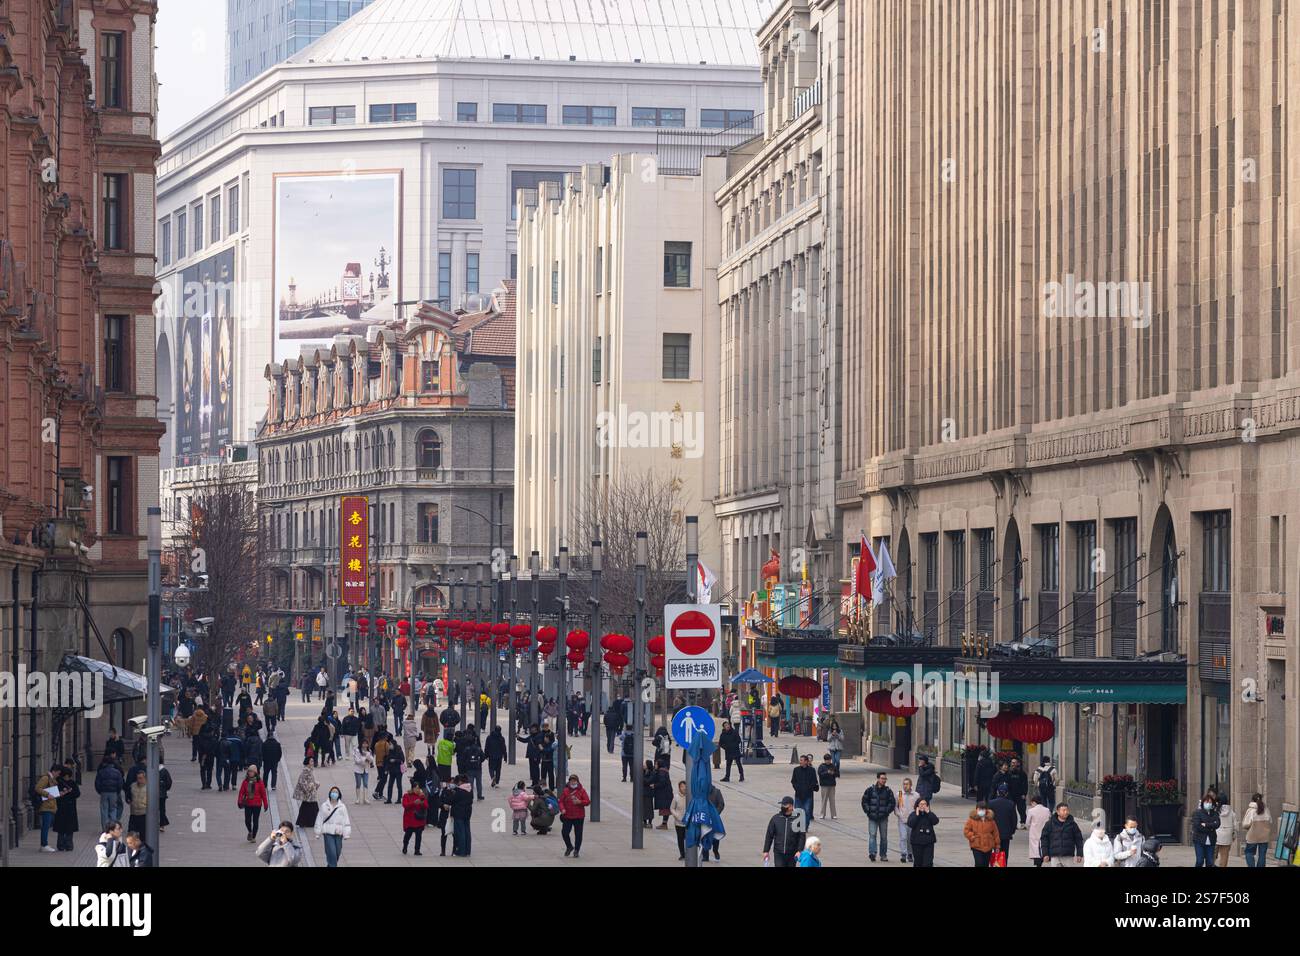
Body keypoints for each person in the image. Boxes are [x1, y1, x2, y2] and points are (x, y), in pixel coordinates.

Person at [861, 771, 895, 862]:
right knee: (872, 835)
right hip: (872, 817)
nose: (884, 780)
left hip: (883, 817)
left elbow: (892, 803)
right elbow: (864, 801)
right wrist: (868, 810)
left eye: (885, 779)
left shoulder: (888, 791)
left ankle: (883, 855)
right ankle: (872, 853)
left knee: (884, 837)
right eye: (882, 778)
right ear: (878, 779)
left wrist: (886, 811)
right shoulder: (870, 790)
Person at [763, 796, 805, 868]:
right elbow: (769, 835)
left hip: (792, 853)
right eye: (782, 805)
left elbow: (802, 836)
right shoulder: (775, 819)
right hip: (778, 852)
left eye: (785, 805)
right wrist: (766, 850)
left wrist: (800, 850)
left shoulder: (797, 820)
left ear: (791, 806)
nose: (783, 807)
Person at [1040, 802, 1084, 866]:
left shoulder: (1073, 824)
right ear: (1058, 812)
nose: (1066, 812)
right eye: (1063, 810)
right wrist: (1045, 854)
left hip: (1068, 855)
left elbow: (1079, 839)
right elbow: (1044, 839)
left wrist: (1079, 854)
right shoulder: (1049, 824)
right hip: (1055, 855)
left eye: (1067, 810)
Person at [559, 773, 591, 858]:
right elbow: (561, 801)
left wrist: (580, 802)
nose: (573, 782)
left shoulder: (582, 790)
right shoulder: (565, 790)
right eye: (571, 781)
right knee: (564, 832)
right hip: (567, 816)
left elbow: (587, 801)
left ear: (577, 781)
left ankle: (577, 850)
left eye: (574, 780)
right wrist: (562, 809)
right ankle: (569, 846)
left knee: (578, 834)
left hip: (579, 816)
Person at [32, 764, 61, 852]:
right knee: (45, 826)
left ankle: (44, 844)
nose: (58, 775)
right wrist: (47, 794)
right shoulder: (46, 778)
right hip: (46, 806)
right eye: (58, 773)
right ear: (54, 771)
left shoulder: (52, 779)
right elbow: (37, 788)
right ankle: (44, 845)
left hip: (50, 806)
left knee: (47, 826)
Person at [237, 766, 269, 843]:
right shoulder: (245, 782)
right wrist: (239, 801)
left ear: (255, 773)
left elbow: (263, 794)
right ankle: (250, 831)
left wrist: (265, 804)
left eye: (252, 772)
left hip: (257, 804)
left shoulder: (260, 782)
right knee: (247, 820)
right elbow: (241, 792)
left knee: (255, 821)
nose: (250, 773)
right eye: (249, 771)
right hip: (248, 803)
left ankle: (253, 836)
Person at [446, 773, 474, 856]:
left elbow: (451, 800)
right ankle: (467, 850)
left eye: (457, 782)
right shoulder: (469, 789)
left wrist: (450, 792)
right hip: (467, 812)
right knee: (467, 832)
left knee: (460, 832)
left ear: (460, 782)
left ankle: (461, 851)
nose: (456, 784)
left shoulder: (459, 791)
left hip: (459, 813)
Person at [94, 757, 124, 832]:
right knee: (113, 809)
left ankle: (105, 829)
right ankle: (113, 827)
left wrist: (99, 791)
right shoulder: (117, 772)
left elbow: (97, 783)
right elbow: (120, 783)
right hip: (114, 792)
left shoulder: (101, 772)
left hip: (104, 792)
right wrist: (118, 791)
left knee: (104, 810)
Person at [963, 802, 999, 866]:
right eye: (980, 809)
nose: (981, 811)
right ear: (976, 809)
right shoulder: (971, 820)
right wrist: (972, 836)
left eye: (983, 809)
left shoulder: (991, 820)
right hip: (976, 845)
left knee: (985, 864)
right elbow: (966, 831)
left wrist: (997, 845)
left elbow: (995, 833)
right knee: (979, 863)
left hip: (988, 845)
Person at [906, 799, 940, 867]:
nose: (922, 806)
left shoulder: (929, 814)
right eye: (921, 804)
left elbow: (935, 821)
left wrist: (929, 812)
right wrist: (917, 815)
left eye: (924, 804)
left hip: (928, 842)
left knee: (928, 862)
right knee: (918, 862)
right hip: (917, 842)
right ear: (917, 806)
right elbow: (910, 824)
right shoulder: (913, 814)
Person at [53, 768, 80, 852]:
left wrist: (69, 792)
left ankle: (65, 845)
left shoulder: (70, 783)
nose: (68, 778)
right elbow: (55, 794)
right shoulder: (60, 783)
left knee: (66, 828)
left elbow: (77, 794)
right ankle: (64, 845)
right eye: (67, 776)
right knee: (64, 828)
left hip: (65, 808)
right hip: (64, 808)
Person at [1242, 793, 1272, 868]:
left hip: (1252, 836)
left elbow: (1245, 824)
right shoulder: (1266, 810)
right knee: (1262, 855)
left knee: (1249, 852)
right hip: (1264, 836)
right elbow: (1270, 821)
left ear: (1252, 800)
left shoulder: (1251, 811)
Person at [1191, 791, 1219, 867]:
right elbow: (1198, 826)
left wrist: (1206, 824)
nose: (1208, 804)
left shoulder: (1215, 813)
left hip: (1211, 840)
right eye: (1207, 802)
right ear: (1203, 803)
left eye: (1210, 802)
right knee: (1200, 861)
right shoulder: (1198, 813)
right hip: (1199, 840)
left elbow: (1217, 824)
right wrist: (1211, 827)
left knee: (1210, 862)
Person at [895, 777, 919, 864]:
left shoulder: (916, 795)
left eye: (907, 784)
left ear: (911, 785)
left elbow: (918, 807)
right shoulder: (900, 794)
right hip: (902, 819)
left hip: (912, 821)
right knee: (903, 837)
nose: (905, 786)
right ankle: (903, 854)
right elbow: (896, 806)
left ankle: (910, 853)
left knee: (910, 838)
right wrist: (899, 814)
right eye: (904, 784)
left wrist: (917, 816)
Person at [790, 753, 819, 827]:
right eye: (800, 760)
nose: (800, 762)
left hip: (808, 795)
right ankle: (798, 826)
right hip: (798, 794)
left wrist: (809, 788)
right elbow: (793, 781)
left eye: (802, 760)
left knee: (807, 811)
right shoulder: (796, 770)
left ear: (806, 761)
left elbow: (814, 781)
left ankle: (805, 826)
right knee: (797, 811)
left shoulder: (811, 770)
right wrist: (797, 788)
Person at [988, 783, 1018, 855]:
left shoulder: (991, 803)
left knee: (996, 852)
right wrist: (1012, 830)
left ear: (997, 792)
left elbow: (988, 818)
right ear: (1007, 793)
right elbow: (1014, 819)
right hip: (1006, 833)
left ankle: (996, 865)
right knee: (1004, 853)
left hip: (994, 832)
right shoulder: (1010, 804)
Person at [401, 780, 429, 855]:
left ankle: (417, 850)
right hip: (410, 820)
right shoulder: (406, 796)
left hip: (419, 819)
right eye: (416, 788)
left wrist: (422, 802)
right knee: (407, 835)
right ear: (412, 788)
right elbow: (405, 805)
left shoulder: (421, 796)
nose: (417, 790)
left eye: (418, 788)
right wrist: (413, 803)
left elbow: (426, 806)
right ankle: (405, 847)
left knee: (419, 836)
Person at [1025, 794, 1051, 867]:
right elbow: (1049, 820)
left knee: (1035, 849)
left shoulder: (1031, 811)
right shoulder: (1047, 810)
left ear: (1034, 802)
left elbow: (1027, 823)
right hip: (1045, 831)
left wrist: (1029, 827)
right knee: (1043, 846)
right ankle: (1042, 859)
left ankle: (1037, 862)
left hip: (1034, 832)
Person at [293, 760, 320, 828]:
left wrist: (316, 784)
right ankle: (308, 822)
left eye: (313, 761)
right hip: (309, 794)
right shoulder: (306, 771)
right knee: (312, 808)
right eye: (311, 761)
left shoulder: (309, 770)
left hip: (311, 794)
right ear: (307, 763)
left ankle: (307, 822)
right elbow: (301, 782)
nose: (313, 763)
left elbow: (310, 781)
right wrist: (309, 788)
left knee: (308, 808)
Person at [1215, 794, 1238, 868]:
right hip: (1227, 835)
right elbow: (1235, 825)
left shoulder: (1216, 811)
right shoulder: (1231, 812)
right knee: (1224, 856)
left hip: (1216, 834)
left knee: (1212, 854)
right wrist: (1234, 835)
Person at [125, 769, 148, 839]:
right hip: (134, 813)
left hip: (144, 813)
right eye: (137, 778)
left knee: (143, 834)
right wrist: (128, 800)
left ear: (145, 778)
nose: (139, 780)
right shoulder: (133, 786)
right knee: (131, 834)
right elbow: (128, 795)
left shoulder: (149, 787)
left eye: (141, 778)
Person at [1007, 757, 1030, 826]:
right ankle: (1013, 823)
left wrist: (1024, 793)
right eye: (1012, 763)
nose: (1013, 764)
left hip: (1020, 795)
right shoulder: (1008, 773)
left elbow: (1025, 784)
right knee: (1011, 810)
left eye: (1015, 763)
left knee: (1022, 809)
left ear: (1018, 763)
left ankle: (1023, 822)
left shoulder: (1022, 773)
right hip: (1011, 794)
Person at [650, 760, 674, 828]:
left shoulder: (661, 772)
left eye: (656, 764)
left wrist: (654, 785)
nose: (655, 766)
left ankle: (664, 824)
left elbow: (662, 783)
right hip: (666, 793)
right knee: (665, 808)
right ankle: (664, 823)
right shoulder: (664, 770)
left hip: (664, 794)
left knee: (665, 808)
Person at [671, 780, 689, 860]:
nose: (684, 788)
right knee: (680, 838)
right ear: (679, 788)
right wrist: (676, 815)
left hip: (688, 822)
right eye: (682, 786)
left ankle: (689, 853)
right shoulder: (676, 797)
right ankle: (682, 853)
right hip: (679, 822)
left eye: (685, 786)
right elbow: (672, 808)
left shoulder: (689, 797)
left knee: (688, 838)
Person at [352, 739, 375, 804]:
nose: (365, 745)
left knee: (365, 783)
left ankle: (365, 798)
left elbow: (371, 760)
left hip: (366, 770)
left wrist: (367, 756)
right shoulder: (357, 750)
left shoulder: (369, 751)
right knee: (358, 784)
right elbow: (357, 760)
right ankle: (358, 798)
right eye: (363, 743)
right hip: (358, 770)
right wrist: (365, 758)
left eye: (366, 744)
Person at [817, 753, 839, 819]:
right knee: (824, 800)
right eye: (827, 760)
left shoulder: (833, 766)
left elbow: (838, 774)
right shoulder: (821, 766)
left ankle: (834, 814)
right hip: (824, 785)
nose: (828, 761)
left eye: (829, 760)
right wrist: (827, 772)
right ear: (824, 760)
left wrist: (833, 773)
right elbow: (820, 774)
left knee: (832, 800)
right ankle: (822, 814)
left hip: (832, 785)